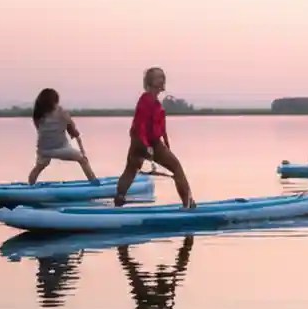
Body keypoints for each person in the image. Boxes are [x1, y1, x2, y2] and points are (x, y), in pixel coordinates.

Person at [114, 67, 195, 209]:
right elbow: (141, 125)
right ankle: (188, 204)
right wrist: (147, 146)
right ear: (151, 81)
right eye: (159, 77)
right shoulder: (147, 100)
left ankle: (119, 200)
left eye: (163, 77)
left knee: (131, 170)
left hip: (144, 142)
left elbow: (160, 127)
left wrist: (166, 144)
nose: (163, 80)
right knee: (176, 168)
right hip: (146, 142)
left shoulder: (154, 101)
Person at [28, 88, 99, 184]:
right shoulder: (62, 112)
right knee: (82, 160)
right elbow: (73, 132)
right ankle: (94, 183)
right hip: (60, 148)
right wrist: (80, 146)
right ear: (54, 102)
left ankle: (31, 185)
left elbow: (40, 130)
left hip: (43, 149)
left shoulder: (37, 114)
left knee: (39, 166)